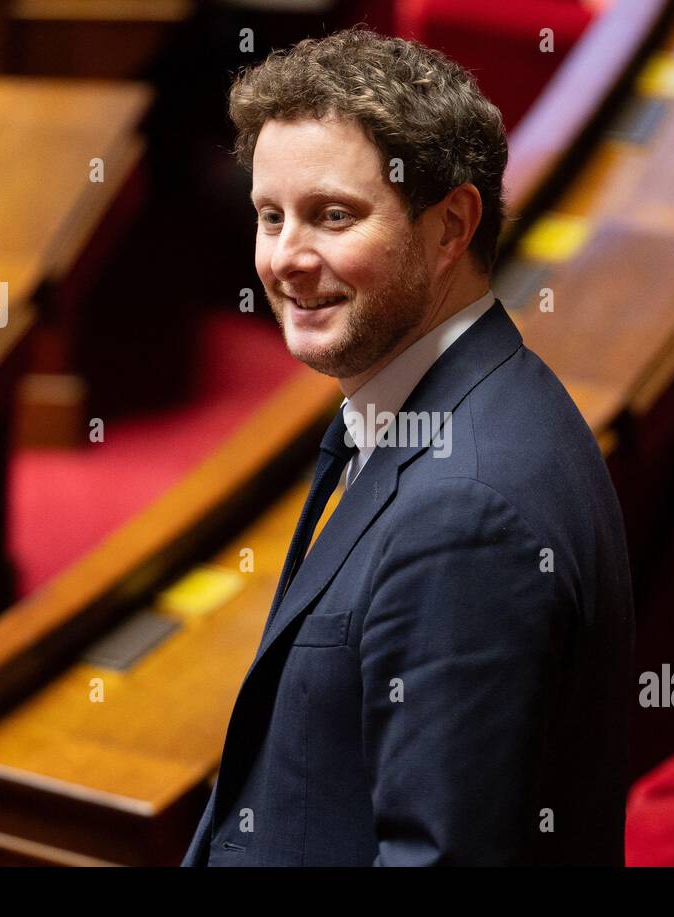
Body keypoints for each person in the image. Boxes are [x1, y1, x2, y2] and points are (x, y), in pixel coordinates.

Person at [181, 27, 634, 866]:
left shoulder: (466, 513)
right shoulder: (444, 398)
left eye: (333, 216)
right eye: (269, 216)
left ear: (451, 226)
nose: (285, 259)